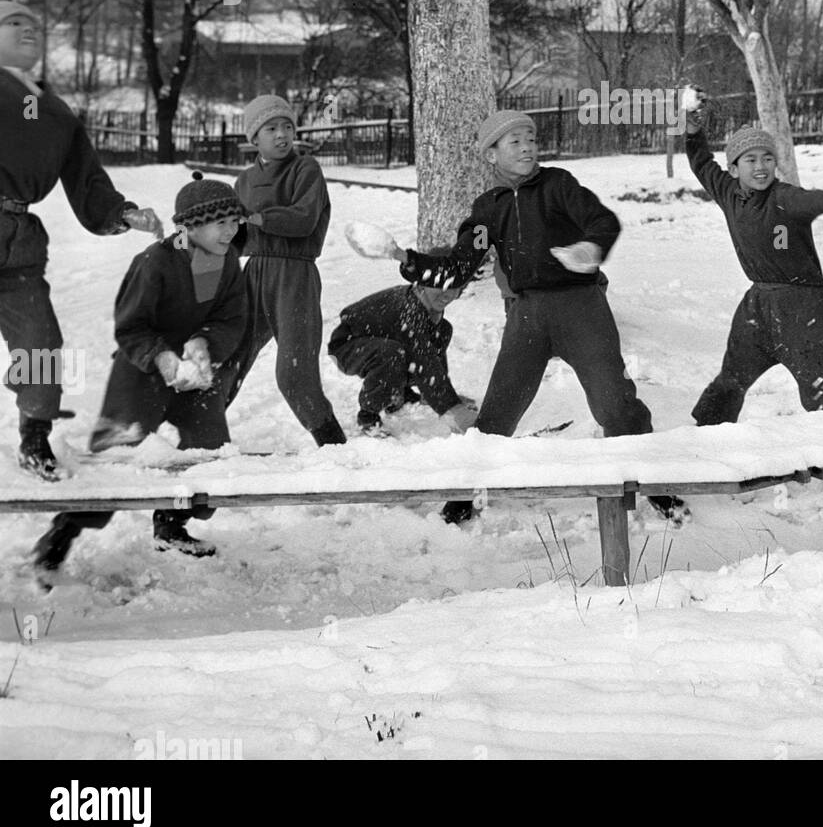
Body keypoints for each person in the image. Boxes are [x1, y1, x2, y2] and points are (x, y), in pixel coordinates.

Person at [393, 109, 685, 525]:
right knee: (498, 411)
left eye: (530, 137)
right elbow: (458, 266)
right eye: (515, 141)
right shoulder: (487, 208)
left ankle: (655, 485)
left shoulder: (558, 185)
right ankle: (466, 495)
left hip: (580, 306)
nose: (528, 146)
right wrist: (408, 261)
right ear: (491, 155)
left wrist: (591, 248)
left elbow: (601, 220)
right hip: (526, 314)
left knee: (614, 402)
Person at [31, 174, 249, 577]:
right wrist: (164, 360)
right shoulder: (154, 263)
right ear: (190, 225)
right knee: (117, 456)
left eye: (235, 221)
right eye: (222, 222)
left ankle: (171, 524)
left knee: (208, 454)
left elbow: (232, 319)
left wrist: (203, 345)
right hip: (142, 370)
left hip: (195, 374)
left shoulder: (228, 263)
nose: (232, 230)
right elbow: (130, 327)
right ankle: (62, 534)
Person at [0, 0, 163, 480]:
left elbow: (87, 181)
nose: (28, 31)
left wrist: (122, 214)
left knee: (43, 344)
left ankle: (35, 435)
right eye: (13, 23)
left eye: (34, 25)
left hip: (20, 243)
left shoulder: (52, 110)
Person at [684, 105, 823, 425]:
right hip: (757, 306)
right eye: (751, 160)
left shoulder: (785, 197)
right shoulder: (728, 193)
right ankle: (705, 437)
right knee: (731, 379)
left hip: (803, 308)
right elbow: (702, 164)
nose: (761, 167)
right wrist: (692, 133)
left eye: (768, 159)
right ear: (733, 169)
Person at [225, 95, 345, 446]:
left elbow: (304, 220)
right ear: (254, 138)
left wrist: (259, 218)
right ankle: (199, 431)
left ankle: (332, 443)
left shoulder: (305, 169)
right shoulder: (243, 182)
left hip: (295, 277)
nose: (281, 135)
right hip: (253, 275)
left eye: (287, 127)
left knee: (294, 374)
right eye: (271, 128)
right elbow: (234, 238)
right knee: (229, 356)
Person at [328, 258, 478, 437]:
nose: (447, 294)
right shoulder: (411, 309)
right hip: (346, 347)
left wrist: (442, 394)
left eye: (454, 287)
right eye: (440, 286)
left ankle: (404, 393)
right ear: (421, 284)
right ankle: (368, 415)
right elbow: (425, 363)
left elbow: (431, 360)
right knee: (392, 353)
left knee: (442, 330)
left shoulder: (429, 303)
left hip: (381, 341)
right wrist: (453, 409)